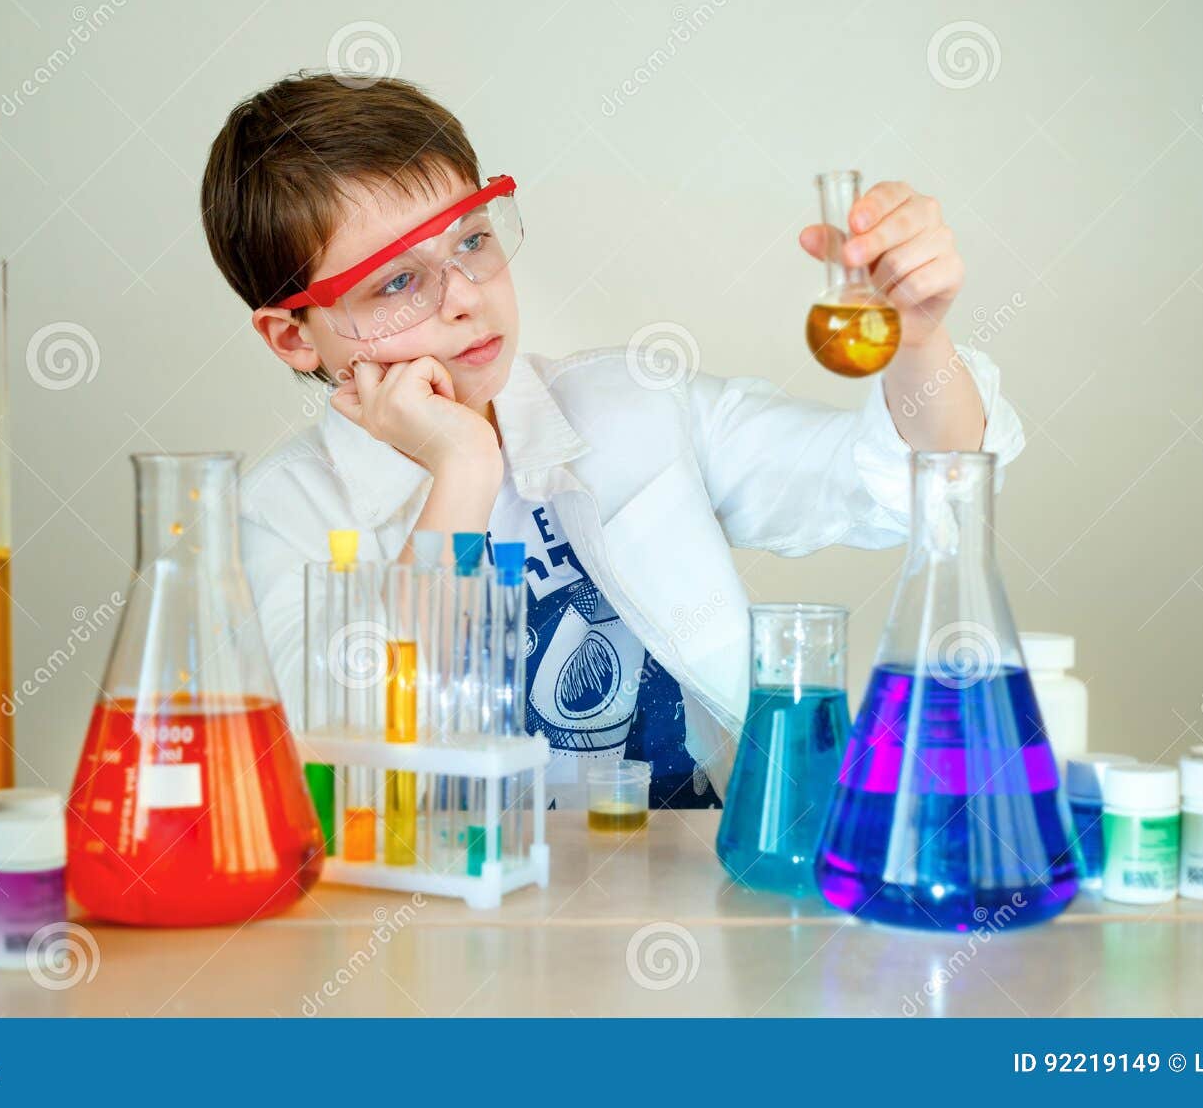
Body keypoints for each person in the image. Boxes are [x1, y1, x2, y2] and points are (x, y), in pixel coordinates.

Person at [200, 71, 1023, 809]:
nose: (465, 300)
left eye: (473, 240)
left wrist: (917, 337)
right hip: (441, 944)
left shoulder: (634, 403)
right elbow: (334, 771)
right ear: (295, 337)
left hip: (700, 907)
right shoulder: (277, 516)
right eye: (398, 281)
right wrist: (463, 474)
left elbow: (915, 488)